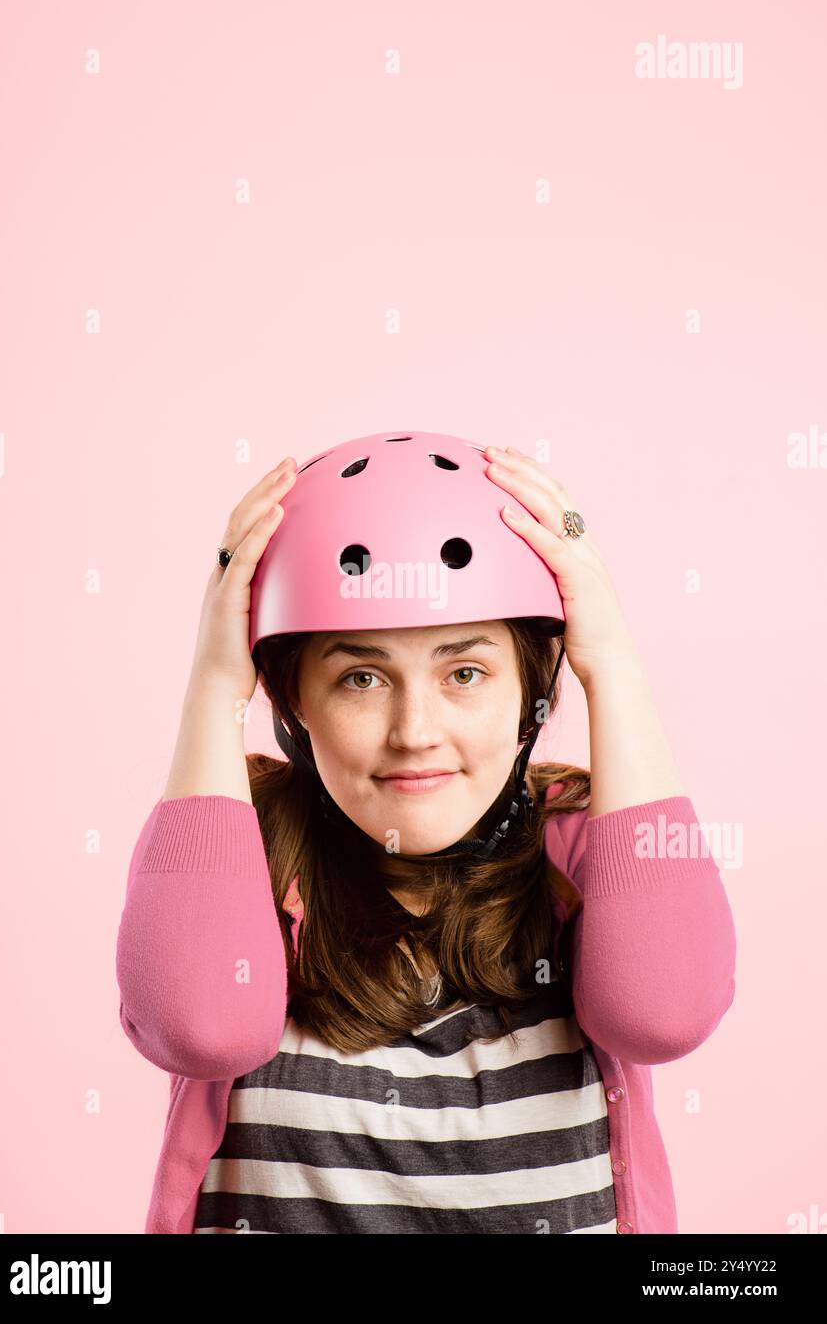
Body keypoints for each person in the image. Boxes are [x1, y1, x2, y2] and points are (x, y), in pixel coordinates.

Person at [116, 429, 736, 1234]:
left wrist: (611, 664)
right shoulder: (240, 849)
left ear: (531, 695)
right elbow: (198, 1025)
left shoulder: (586, 855)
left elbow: (664, 1012)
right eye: (360, 678)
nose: (415, 731)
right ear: (294, 697)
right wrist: (214, 681)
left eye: (465, 673)